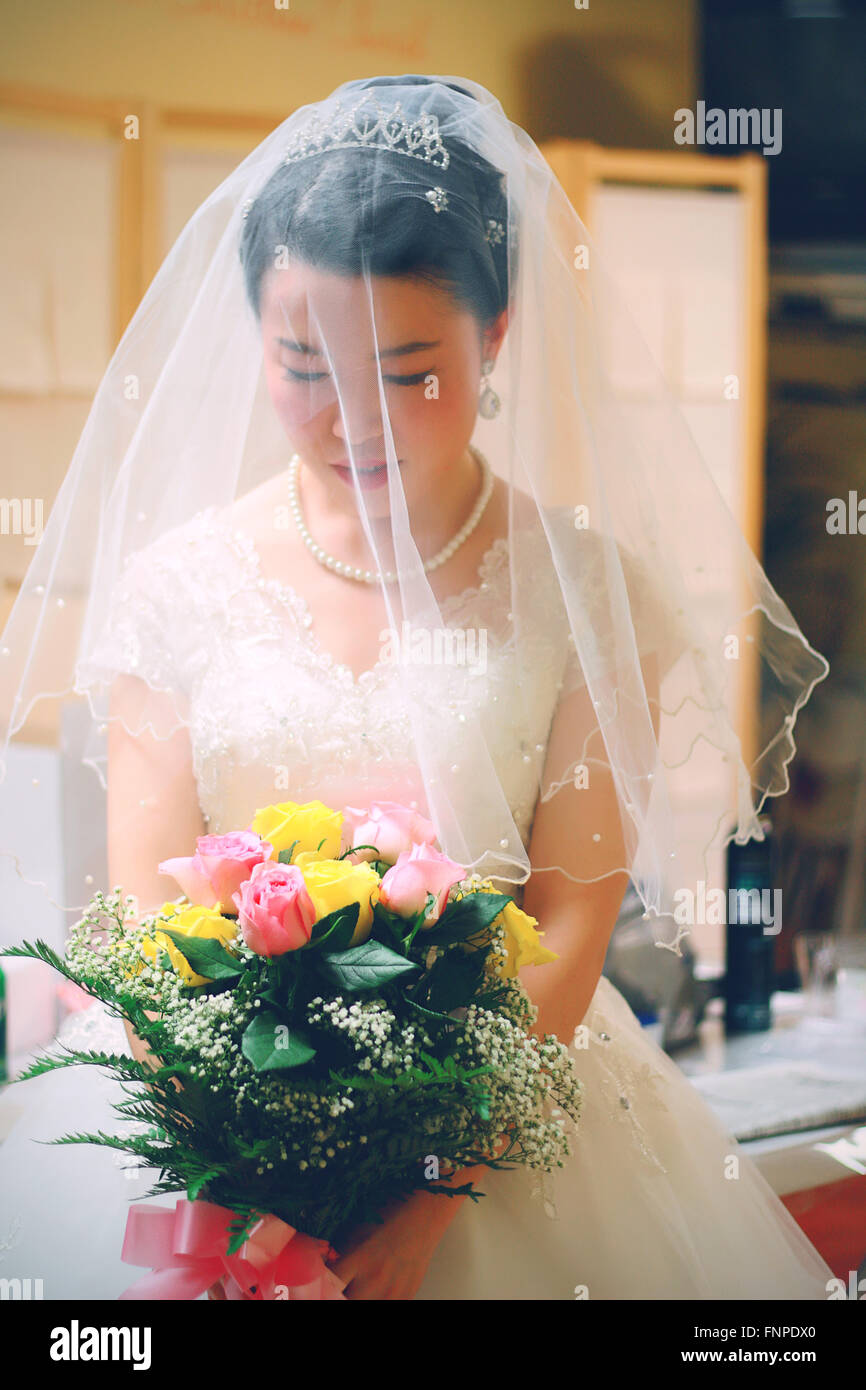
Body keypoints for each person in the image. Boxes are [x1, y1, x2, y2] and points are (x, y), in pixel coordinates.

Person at [0, 75, 832, 1299]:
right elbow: (140, 925)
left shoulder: (588, 593)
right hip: (216, 1125)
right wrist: (232, 1151)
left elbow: (564, 921)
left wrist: (438, 1184)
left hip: (512, 1128)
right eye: (304, 365)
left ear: (493, 338)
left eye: (406, 370)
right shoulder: (174, 588)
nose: (351, 419)